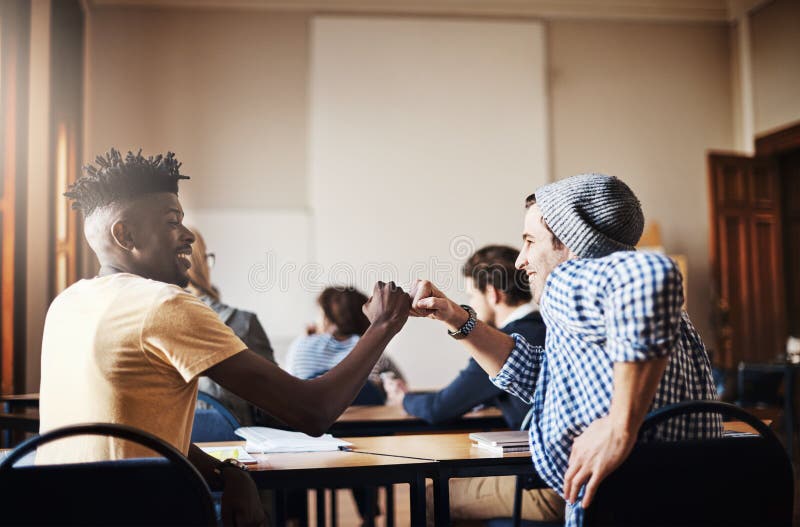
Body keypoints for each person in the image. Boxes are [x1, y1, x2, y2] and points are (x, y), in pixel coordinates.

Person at [39, 149, 411, 527]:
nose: (187, 235)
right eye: (172, 222)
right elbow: (312, 412)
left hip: (57, 508)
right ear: (125, 234)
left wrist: (228, 473)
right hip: (138, 509)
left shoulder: (67, 305)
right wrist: (382, 326)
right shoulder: (164, 304)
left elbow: (138, 431)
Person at [408, 173, 721, 526]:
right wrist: (456, 316)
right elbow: (538, 373)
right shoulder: (650, 319)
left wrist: (620, 426)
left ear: (572, 241)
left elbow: (654, 272)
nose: (520, 261)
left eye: (530, 241)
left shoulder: (568, 278)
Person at [384, 245, 563, 525]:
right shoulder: (552, 328)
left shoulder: (502, 343)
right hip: (564, 476)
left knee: (431, 496)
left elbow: (439, 408)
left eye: (472, 296)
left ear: (492, 293)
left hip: (546, 483)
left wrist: (404, 399)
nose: (473, 304)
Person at [186, 226, 277, 426]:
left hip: (175, 445)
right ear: (202, 264)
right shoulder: (244, 322)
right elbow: (276, 398)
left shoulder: (148, 321)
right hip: (239, 443)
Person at [286, 286, 404, 401]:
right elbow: (401, 386)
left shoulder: (300, 345)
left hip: (312, 417)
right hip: (366, 417)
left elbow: (291, 388)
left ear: (326, 319)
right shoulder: (372, 348)